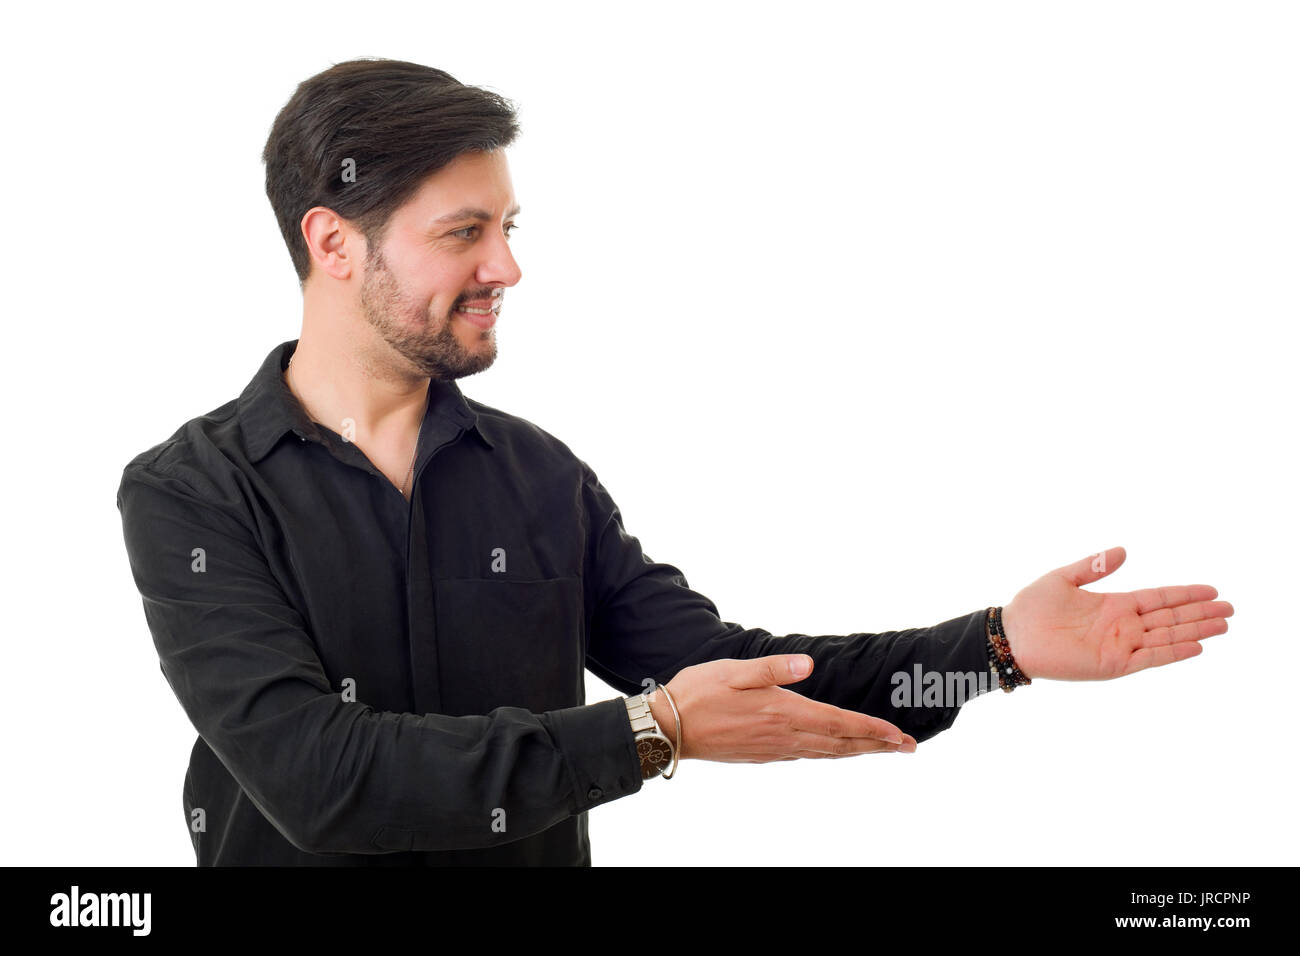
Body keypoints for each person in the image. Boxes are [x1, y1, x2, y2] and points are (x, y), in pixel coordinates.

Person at [116, 58, 1234, 866]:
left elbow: (728, 671)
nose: (507, 263)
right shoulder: (191, 490)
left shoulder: (537, 476)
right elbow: (318, 778)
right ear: (332, 241)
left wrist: (993, 649)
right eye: (464, 231)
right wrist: (653, 731)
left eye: (510, 225)